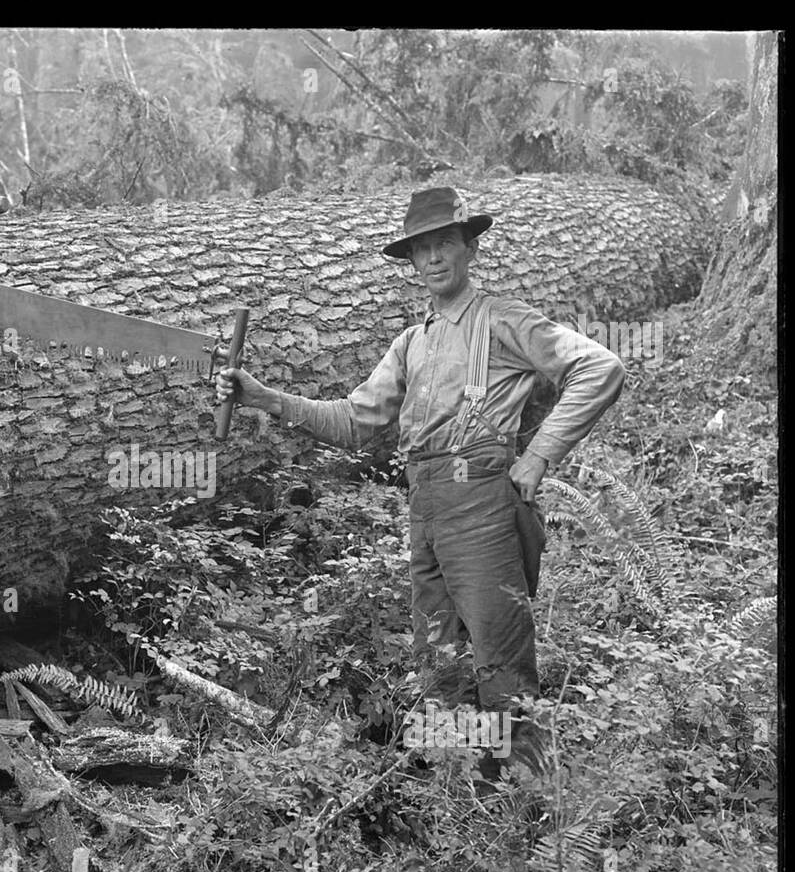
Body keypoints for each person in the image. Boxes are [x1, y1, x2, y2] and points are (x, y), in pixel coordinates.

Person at [214, 186, 626, 775]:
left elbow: (600, 367)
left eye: (445, 244)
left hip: (483, 503)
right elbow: (355, 422)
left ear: (469, 251)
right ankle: (455, 795)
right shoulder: (412, 342)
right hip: (425, 509)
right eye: (422, 249)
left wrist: (537, 457)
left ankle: (520, 806)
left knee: (500, 657)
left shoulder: (502, 319)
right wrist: (264, 397)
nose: (434, 258)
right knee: (437, 660)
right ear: (411, 262)